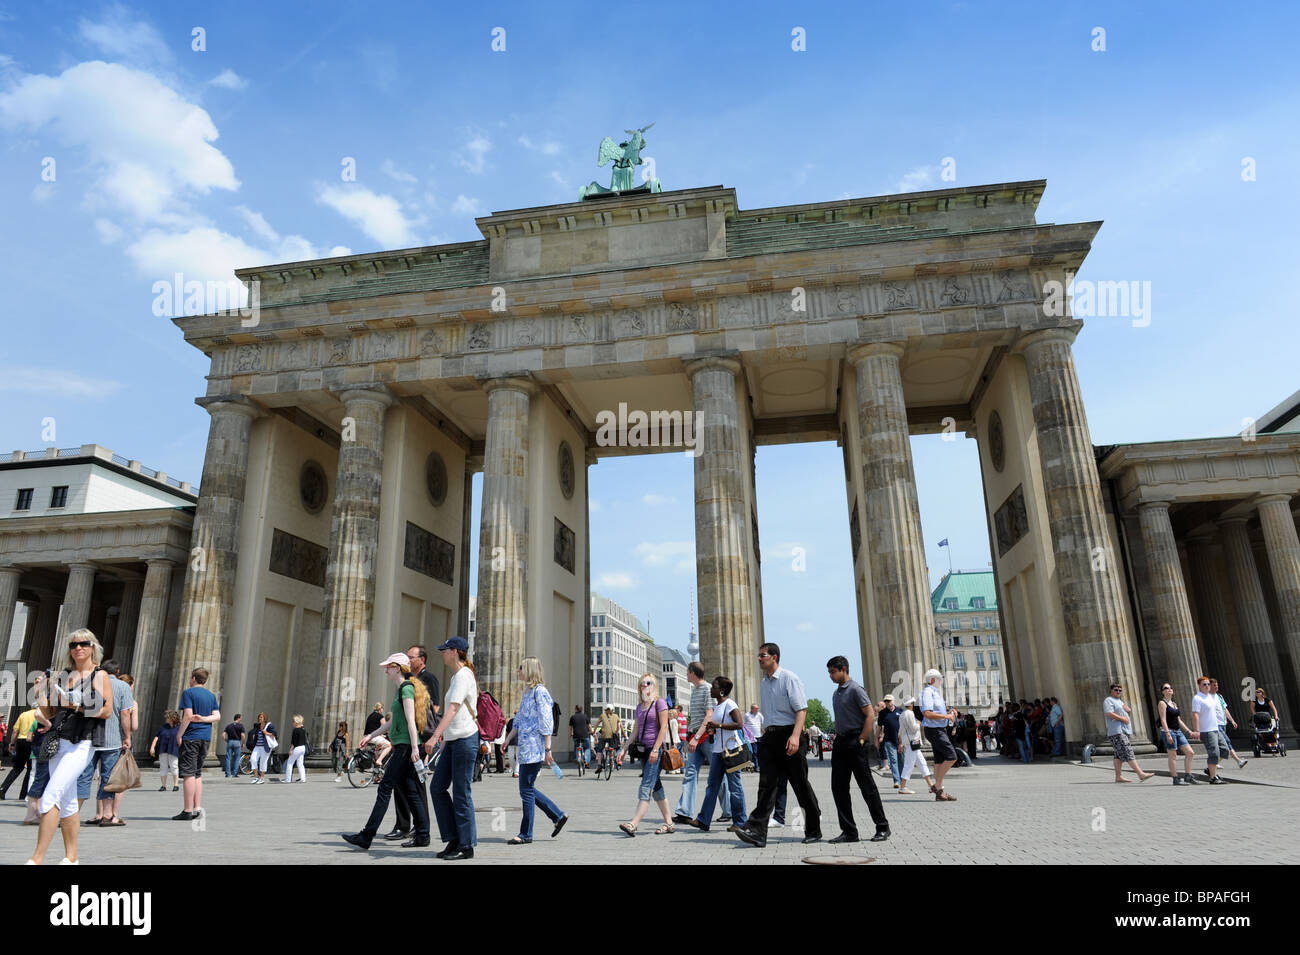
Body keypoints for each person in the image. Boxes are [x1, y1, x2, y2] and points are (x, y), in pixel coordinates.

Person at [27, 628, 113, 866]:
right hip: (59, 740)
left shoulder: (99, 675)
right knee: (68, 801)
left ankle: (37, 859)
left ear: (93, 647)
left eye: (84, 644)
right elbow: (50, 714)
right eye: (73, 645)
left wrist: (75, 705)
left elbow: (106, 711)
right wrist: (41, 694)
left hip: (82, 742)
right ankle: (72, 857)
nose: (78, 648)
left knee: (50, 796)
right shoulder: (64, 675)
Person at [734, 643, 822, 848]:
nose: (759, 659)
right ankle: (757, 831)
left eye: (762, 655)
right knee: (766, 785)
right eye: (758, 655)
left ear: (774, 657)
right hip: (771, 738)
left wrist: (795, 736)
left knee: (800, 784)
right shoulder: (764, 683)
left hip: (790, 736)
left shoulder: (789, 678)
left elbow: (801, 710)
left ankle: (813, 828)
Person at [342, 653, 431, 850]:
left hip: (405, 746)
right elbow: (392, 722)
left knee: (385, 788)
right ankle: (423, 834)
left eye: (388, 667)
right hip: (404, 745)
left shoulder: (406, 688)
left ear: (397, 668)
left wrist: (415, 748)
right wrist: (370, 735)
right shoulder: (401, 689)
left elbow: (410, 720)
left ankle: (367, 836)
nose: (385, 670)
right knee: (410, 790)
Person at [501, 657, 568, 845]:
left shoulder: (540, 692)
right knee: (527, 789)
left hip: (535, 747)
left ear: (529, 670)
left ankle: (526, 833)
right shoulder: (528, 692)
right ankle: (557, 815)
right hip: (525, 747)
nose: (517, 670)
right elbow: (519, 720)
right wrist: (507, 739)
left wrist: (548, 749)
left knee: (526, 790)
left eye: (521, 667)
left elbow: (547, 722)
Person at [826, 656, 890, 843]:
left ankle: (882, 827)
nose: (830, 675)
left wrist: (862, 739)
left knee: (867, 787)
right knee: (839, 788)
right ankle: (849, 832)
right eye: (829, 672)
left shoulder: (855, 689)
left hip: (855, 741)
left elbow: (870, 715)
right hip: (840, 742)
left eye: (833, 672)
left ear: (844, 669)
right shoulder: (837, 692)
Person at [426, 636, 479, 860]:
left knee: (461, 793)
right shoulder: (457, 676)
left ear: (455, 651)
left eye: (445, 649)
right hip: (454, 740)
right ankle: (453, 838)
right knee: (437, 788)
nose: (442, 653)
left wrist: (435, 735)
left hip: (465, 740)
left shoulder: (464, 675)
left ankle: (466, 846)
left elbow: (454, 709)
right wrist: (445, 739)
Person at [388, 644, 440, 841]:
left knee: (415, 783)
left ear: (422, 660)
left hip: (420, 737)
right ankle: (403, 824)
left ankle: (420, 826)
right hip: (405, 738)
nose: (409, 660)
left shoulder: (429, 679)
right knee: (399, 781)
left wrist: (427, 736)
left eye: (412, 657)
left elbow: (434, 707)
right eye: (407, 657)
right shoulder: (408, 680)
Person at [78, 658, 135, 827]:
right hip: (112, 739)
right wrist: (127, 736)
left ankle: (72, 814)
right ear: (117, 672)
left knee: (83, 776)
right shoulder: (123, 686)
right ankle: (107, 815)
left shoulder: (89, 683)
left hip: (89, 738)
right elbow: (125, 714)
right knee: (108, 777)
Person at [617, 672, 675, 836]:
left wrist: (656, 749)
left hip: (654, 749)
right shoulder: (640, 706)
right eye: (642, 683)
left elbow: (663, 727)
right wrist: (624, 748)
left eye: (648, 683)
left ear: (654, 685)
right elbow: (635, 730)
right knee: (656, 786)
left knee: (646, 785)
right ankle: (669, 823)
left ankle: (634, 823)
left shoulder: (660, 703)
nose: (645, 685)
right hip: (642, 750)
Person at [690, 675, 748, 832]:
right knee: (712, 786)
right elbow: (719, 727)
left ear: (721, 691)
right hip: (718, 751)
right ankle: (704, 820)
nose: (711, 689)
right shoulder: (718, 706)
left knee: (734, 787)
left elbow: (739, 724)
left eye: (714, 686)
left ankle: (741, 821)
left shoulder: (730, 704)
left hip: (731, 750)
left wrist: (719, 725)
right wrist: (713, 729)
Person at [174, 668, 220, 820]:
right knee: (197, 773)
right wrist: (204, 719)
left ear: (193, 678)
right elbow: (217, 716)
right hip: (205, 737)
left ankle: (187, 810)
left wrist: (179, 734)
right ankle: (197, 807)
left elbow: (187, 716)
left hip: (191, 736)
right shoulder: (211, 695)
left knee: (188, 773)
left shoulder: (188, 693)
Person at [672, 662, 714, 825]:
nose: (686, 675)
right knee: (690, 773)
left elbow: (709, 715)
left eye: (687, 672)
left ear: (693, 673)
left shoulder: (707, 689)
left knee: (717, 775)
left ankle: (729, 810)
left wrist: (696, 737)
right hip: (694, 736)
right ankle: (684, 812)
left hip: (706, 738)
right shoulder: (694, 690)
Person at [920, 669, 959, 801]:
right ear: (932, 680)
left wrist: (949, 711)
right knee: (952, 756)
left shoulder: (935, 693)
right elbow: (927, 713)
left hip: (938, 729)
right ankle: (937, 786)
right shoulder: (927, 692)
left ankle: (940, 792)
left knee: (939, 760)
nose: (941, 681)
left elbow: (937, 710)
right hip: (934, 730)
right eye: (939, 679)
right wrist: (947, 716)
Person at [1104, 682, 1153, 783]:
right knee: (1128, 751)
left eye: (1120, 690)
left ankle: (1119, 776)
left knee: (1118, 755)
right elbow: (1109, 713)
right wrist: (1122, 718)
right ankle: (1140, 774)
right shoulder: (1109, 700)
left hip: (1124, 730)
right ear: (1111, 691)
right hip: (1117, 731)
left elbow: (1125, 714)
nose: (1118, 692)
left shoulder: (1120, 701)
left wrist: (1128, 712)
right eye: (1116, 690)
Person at [1157, 682, 1199, 785]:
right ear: (1163, 691)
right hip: (1169, 731)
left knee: (1190, 752)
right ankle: (1175, 778)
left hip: (1178, 731)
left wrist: (1189, 731)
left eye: (1170, 687)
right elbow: (1163, 719)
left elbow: (1179, 720)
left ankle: (1188, 776)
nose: (1169, 689)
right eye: (1166, 688)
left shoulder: (1174, 704)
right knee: (1173, 755)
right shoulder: (1162, 703)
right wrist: (1167, 733)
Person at [897, 697, 935, 794]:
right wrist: (919, 723)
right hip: (912, 742)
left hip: (911, 742)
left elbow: (900, 731)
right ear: (911, 704)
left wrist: (901, 742)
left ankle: (931, 785)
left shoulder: (902, 714)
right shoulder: (909, 713)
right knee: (909, 764)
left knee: (922, 763)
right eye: (913, 703)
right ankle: (903, 787)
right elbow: (913, 728)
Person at [1, 705, 40, 800]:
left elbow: (15, 731)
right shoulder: (40, 715)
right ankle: (23, 795)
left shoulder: (23, 714)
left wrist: (12, 744)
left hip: (21, 741)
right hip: (32, 741)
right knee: (30, 770)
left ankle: (2, 789)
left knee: (17, 768)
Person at [1192, 677, 1225, 784]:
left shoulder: (1210, 697)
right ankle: (1213, 777)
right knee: (1214, 753)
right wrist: (1197, 730)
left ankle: (1210, 769)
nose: (1207, 686)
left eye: (1208, 684)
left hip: (1216, 728)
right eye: (1204, 684)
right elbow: (1195, 715)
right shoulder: (1197, 698)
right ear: (1199, 686)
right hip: (1206, 730)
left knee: (1225, 750)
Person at [1210, 678, 1248, 769]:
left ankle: (1214, 763)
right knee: (1227, 743)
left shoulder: (1219, 696)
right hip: (1215, 724)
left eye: (1217, 685)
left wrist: (1232, 720)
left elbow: (1224, 709)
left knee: (1222, 745)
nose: (1216, 687)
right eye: (1214, 685)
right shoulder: (1207, 697)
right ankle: (1239, 761)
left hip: (1223, 723)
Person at [875, 695, 903, 789]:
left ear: (893, 701)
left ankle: (902, 780)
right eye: (886, 701)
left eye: (889, 701)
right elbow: (879, 727)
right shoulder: (882, 713)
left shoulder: (900, 711)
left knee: (901, 760)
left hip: (900, 740)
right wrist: (876, 740)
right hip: (888, 740)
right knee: (894, 760)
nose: (888, 703)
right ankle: (897, 781)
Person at [149, 710, 181, 790]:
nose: (166, 718)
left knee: (174, 766)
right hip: (162, 748)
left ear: (172, 718)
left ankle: (176, 785)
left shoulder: (179, 727)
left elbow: (181, 738)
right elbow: (157, 737)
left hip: (173, 749)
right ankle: (163, 785)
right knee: (163, 766)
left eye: (167, 717)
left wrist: (180, 746)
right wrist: (152, 747)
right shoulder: (163, 726)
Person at [247, 712, 276, 784]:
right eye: (259, 717)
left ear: (264, 718)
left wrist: (266, 733)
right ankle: (256, 777)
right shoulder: (258, 726)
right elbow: (256, 734)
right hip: (257, 746)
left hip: (265, 746)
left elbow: (275, 734)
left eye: (261, 717)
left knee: (263, 762)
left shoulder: (269, 726)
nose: (259, 718)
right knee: (253, 759)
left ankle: (262, 778)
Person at [595, 707, 621, 774]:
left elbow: (597, 724)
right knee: (613, 747)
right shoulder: (616, 716)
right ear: (613, 710)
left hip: (603, 736)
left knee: (600, 750)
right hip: (612, 736)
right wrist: (616, 732)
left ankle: (599, 765)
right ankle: (612, 758)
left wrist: (594, 731)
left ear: (605, 710)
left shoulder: (602, 715)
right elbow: (619, 726)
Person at [282, 715, 308, 783]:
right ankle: (303, 778)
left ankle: (288, 779)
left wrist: (290, 750)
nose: (292, 723)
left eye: (293, 721)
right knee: (300, 764)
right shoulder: (303, 729)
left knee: (290, 763)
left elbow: (293, 742)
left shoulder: (295, 730)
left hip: (297, 748)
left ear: (296, 722)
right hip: (303, 748)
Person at [742, 703, 764, 771]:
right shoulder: (747, 715)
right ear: (752, 709)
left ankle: (759, 765)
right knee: (754, 752)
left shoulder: (759, 715)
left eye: (758, 708)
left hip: (759, 736)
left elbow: (762, 724)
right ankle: (756, 766)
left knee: (760, 752)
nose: (757, 710)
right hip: (751, 737)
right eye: (756, 709)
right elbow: (743, 725)